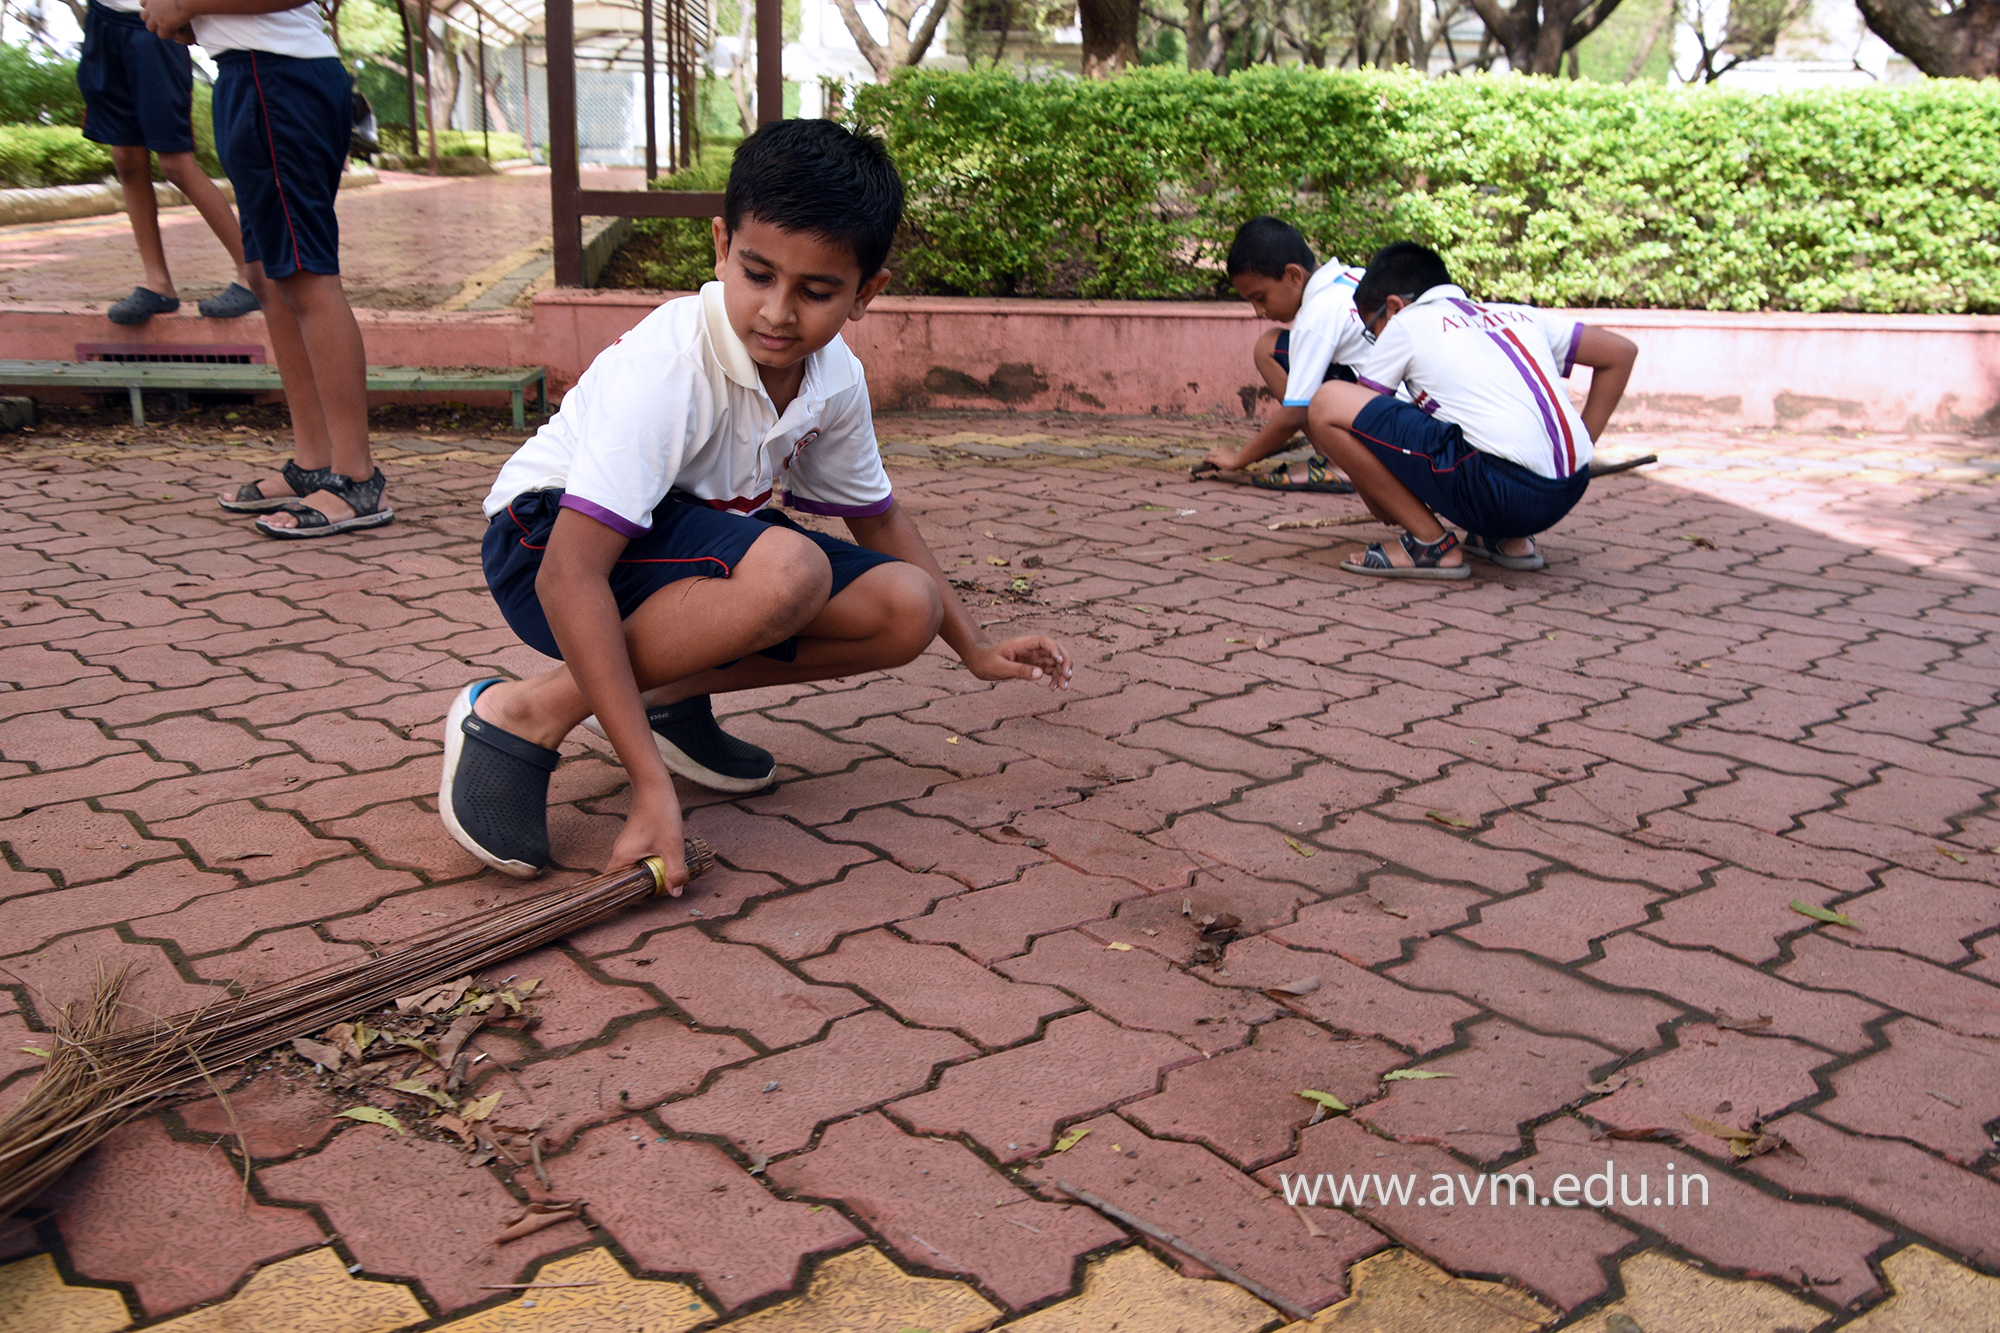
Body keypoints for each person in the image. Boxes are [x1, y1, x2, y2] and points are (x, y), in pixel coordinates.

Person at [439, 119, 1073, 891]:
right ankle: (521, 712)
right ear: (720, 246)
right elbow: (568, 577)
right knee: (788, 570)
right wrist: (650, 789)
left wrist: (971, 647)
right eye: (758, 273)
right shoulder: (670, 363)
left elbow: (877, 517)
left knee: (906, 607)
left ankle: (670, 692)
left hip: (681, 548)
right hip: (542, 542)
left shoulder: (833, 376)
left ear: (866, 293)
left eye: (815, 291)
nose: (777, 312)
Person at [140, 0, 389, 539]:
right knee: (267, 277)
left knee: (304, 275)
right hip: (249, 74)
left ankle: (354, 478)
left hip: (279, 78)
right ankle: (314, 461)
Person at [1303, 241, 1637, 580]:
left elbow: (1357, 419)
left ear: (1392, 306)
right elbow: (1620, 353)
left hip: (1497, 489)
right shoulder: (1519, 314)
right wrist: (1581, 449)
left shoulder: (1406, 322)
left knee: (1327, 401)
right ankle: (1506, 537)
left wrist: (1385, 503)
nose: (1375, 340)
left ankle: (1429, 544)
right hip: (1569, 488)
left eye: (1373, 328)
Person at [76, 0, 258, 324]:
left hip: (155, 22)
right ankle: (158, 283)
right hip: (103, 21)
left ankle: (252, 275)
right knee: (126, 158)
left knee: (174, 162)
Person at [1198, 216, 1365, 494]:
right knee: (1272, 343)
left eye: (1261, 297)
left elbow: (1296, 413)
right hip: (1405, 415)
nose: (1259, 312)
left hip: (1385, 428)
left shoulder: (1316, 313)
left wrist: (1239, 458)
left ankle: (1341, 463)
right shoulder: (1352, 277)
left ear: (1294, 275)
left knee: (1270, 351)